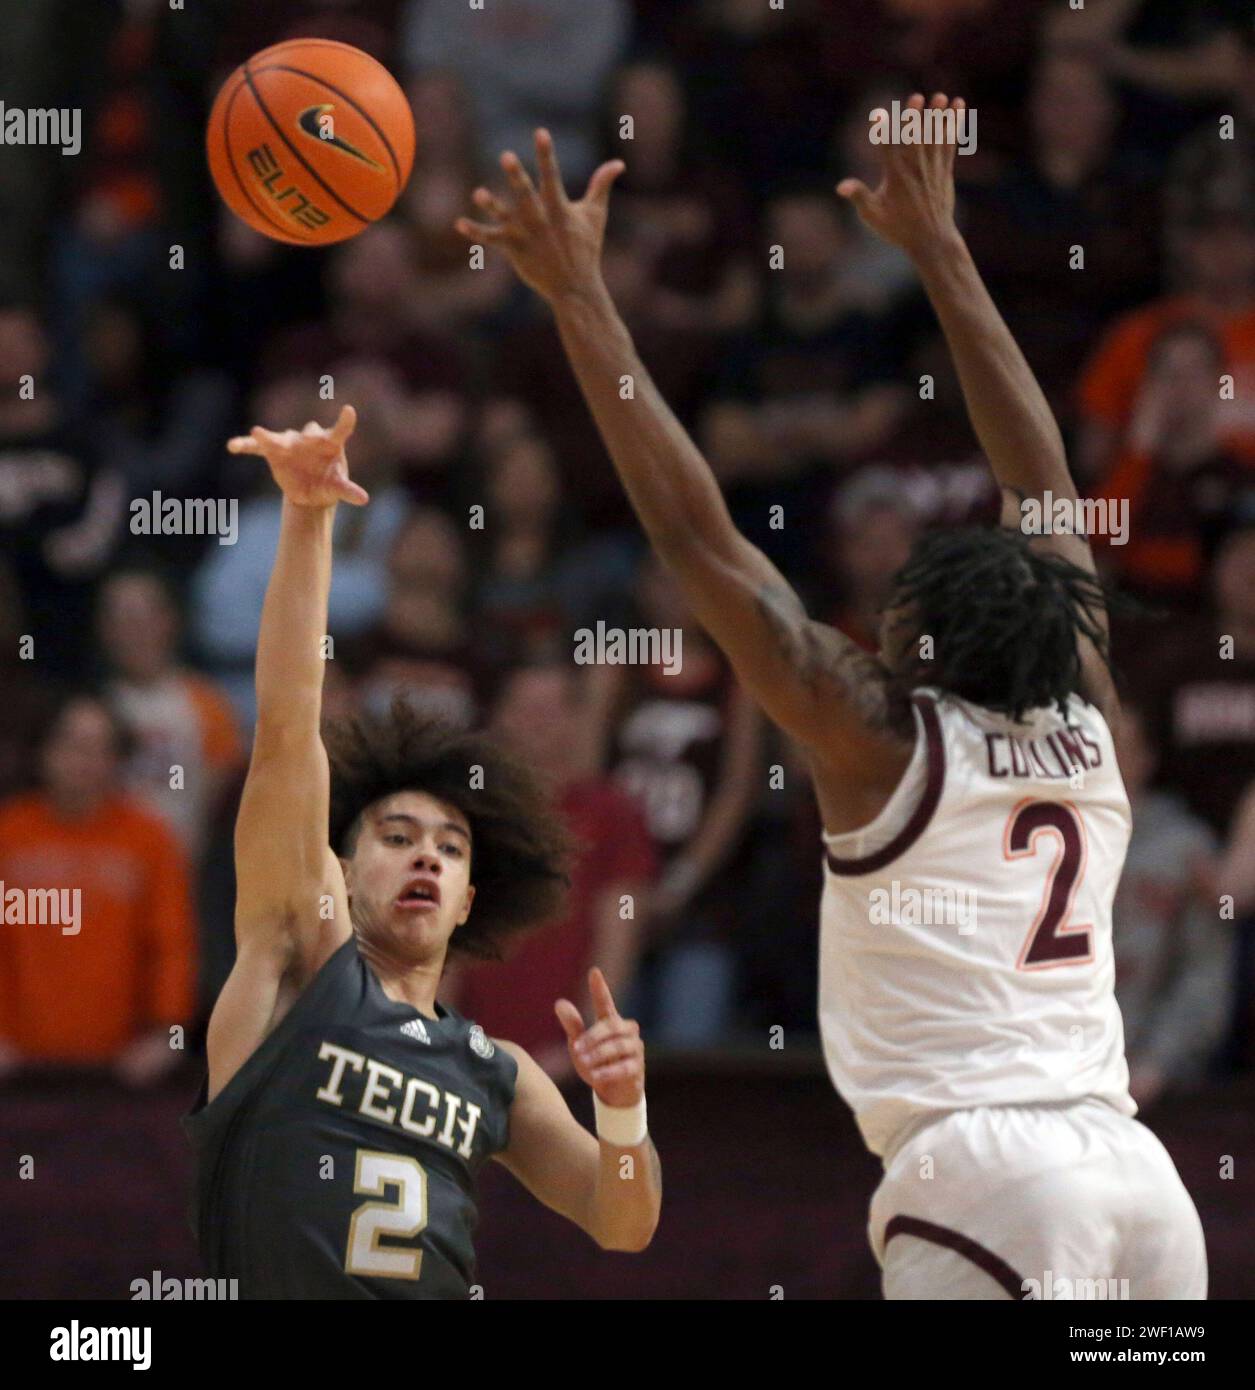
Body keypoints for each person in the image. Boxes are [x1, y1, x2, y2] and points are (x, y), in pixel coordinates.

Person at [456, 95, 1207, 1299]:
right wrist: (943, 253)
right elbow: (1046, 485)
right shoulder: (1086, 726)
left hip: (986, 1179)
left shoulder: (881, 744)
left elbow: (699, 541)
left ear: (919, 644)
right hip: (1141, 1181)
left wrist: (579, 300)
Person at [184, 406, 660, 1300]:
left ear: (470, 900)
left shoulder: (495, 1070)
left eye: (449, 848)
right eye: (396, 838)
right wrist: (308, 517)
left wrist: (624, 1109)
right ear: (343, 867)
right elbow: (289, 727)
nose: (427, 860)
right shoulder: (295, 966)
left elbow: (621, 1221)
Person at [0, 691, 196, 1087]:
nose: (82, 760)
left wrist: (168, 1034)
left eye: (98, 748)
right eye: (70, 744)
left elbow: (172, 944)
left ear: (117, 759)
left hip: (121, 1074)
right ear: (43, 750)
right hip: (17, 1070)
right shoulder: (9, 834)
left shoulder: (149, 839)